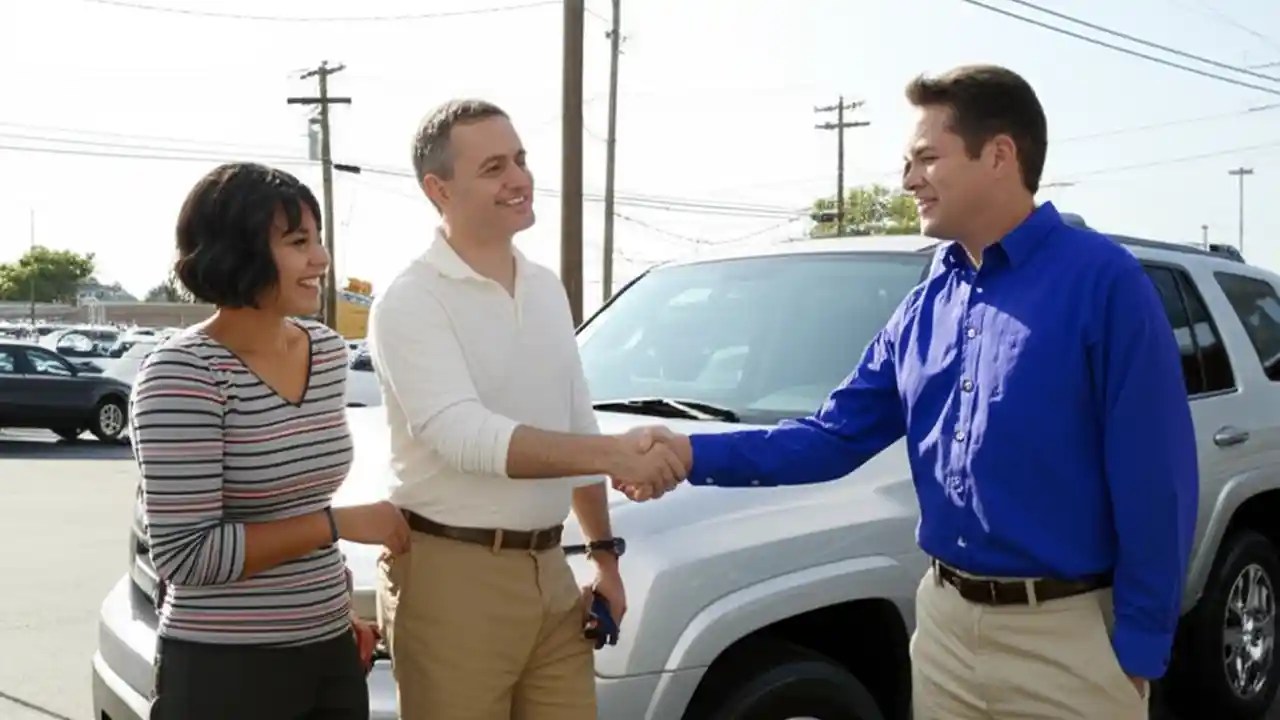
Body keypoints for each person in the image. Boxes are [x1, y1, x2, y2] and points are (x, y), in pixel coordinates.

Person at [625, 65, 1198, 719]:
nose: (906, 180)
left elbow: (1157, 479)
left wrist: (1139, 650)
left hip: (1066, 640)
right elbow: (832, 438)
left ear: (1000, 156)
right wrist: (688, 453)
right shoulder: (928, 303)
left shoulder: (1105, 283)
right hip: (944, 631)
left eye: (927, 157)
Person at [366, 99, 682, 720]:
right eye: (493, 167)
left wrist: (604, 557)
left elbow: (574, 422)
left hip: (552, 577)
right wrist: (617, 454)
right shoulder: (410, 301)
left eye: (520, 158)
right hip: (451, 581)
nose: (519, 179)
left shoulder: (544, 287)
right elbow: (466, 436)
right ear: (439, 189)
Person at [130, 162, 412, 720]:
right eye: (298, 242)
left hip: (330, 650)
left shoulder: (327, 353)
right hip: (224, 668)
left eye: (319, 239)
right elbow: (185, 555)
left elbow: (298, 497)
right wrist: (338, 525)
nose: (321, 259)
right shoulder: (182, 374)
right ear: (239, 252)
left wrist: (333, 612)